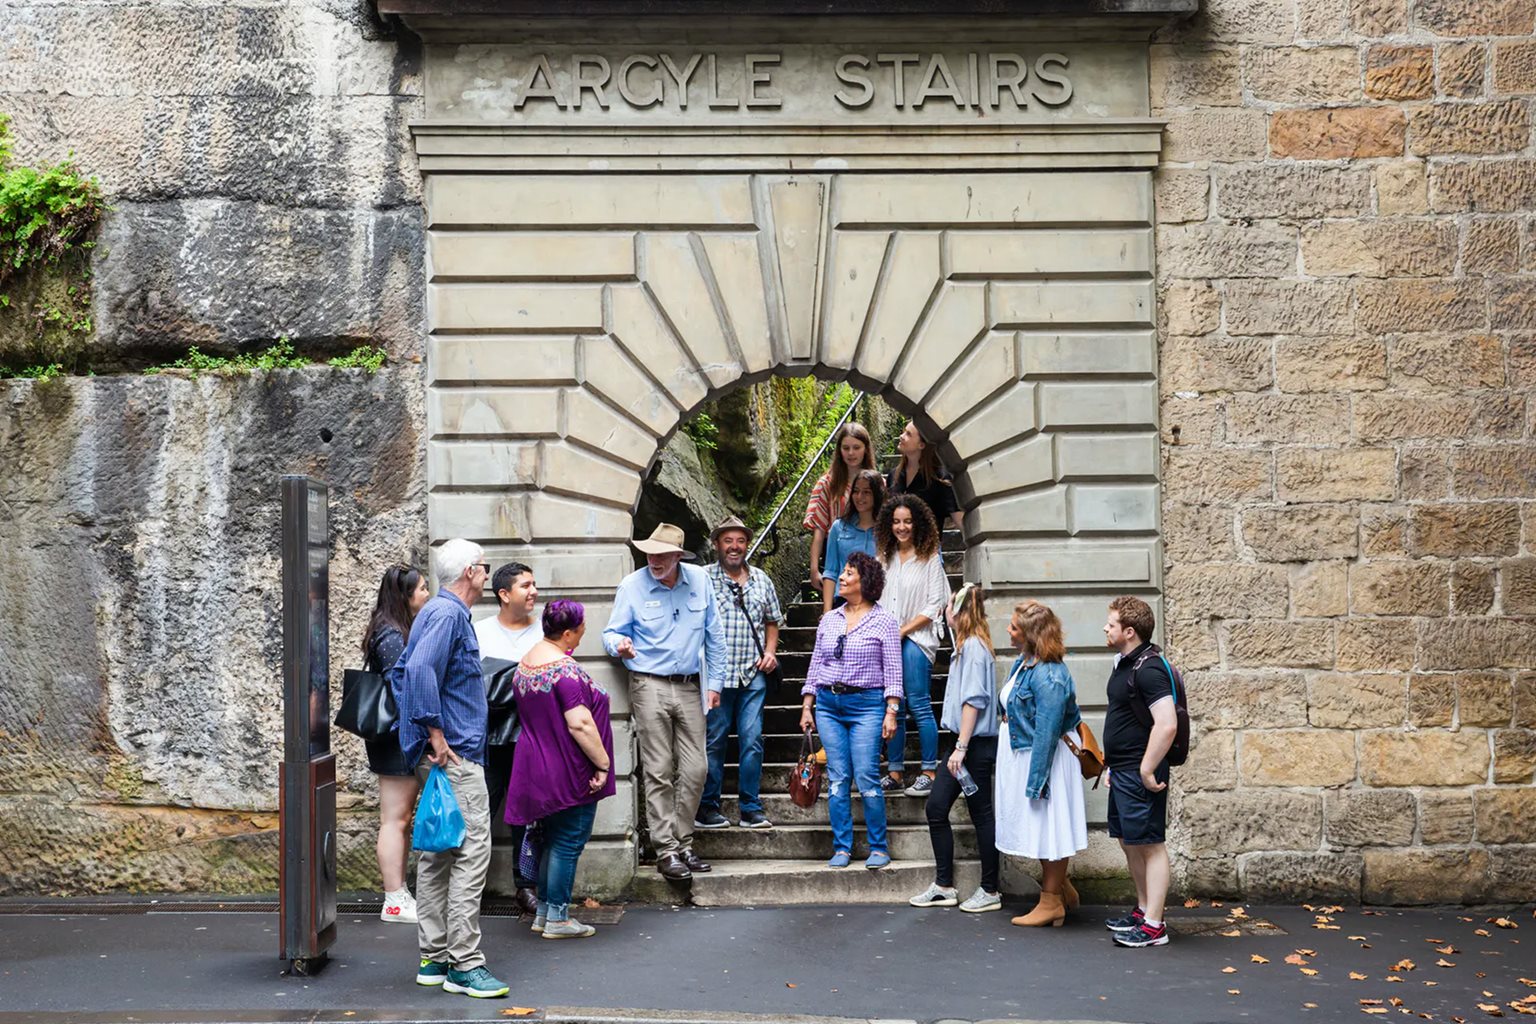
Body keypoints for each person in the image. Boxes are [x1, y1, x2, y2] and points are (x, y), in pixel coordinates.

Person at [391, 539, 508, 999]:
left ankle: (434, 958)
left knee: (439, 854)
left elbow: (404, 671)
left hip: (441, 753)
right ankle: (465, 965)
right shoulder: (448, 614)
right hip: (454, 755)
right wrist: (436, 734)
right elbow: (417, 670)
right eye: (484, 567)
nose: (487, 574)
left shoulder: (435, 613)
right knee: (469, 855)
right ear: (469, 572)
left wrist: (425, 736)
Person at [602, 523, 727, 881]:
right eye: (650, 553)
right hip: (649, 682)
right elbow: (611, 632)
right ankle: (667, 850)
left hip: (690, 685)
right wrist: (619, 645)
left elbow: (714, 636)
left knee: (696, 768)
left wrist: (714, 684)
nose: (653, 560)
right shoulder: (632, 586)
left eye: (661, 554)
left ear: (678, 556)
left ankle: (684, 841)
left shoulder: (700, 582)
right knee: (659, 768)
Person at [503, 600, 616, 939]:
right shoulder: (564, 671)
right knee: (568, 840)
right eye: (580, 631)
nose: (582, 637)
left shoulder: (527, 663)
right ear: (567, 633)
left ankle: (544, 913)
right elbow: (579, 723)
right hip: (566, 767)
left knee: (551, 839)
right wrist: (603, 763)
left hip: (534, 763)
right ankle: (559, 919)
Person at [797, 551, 902, 870]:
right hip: (829, 705)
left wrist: (891, 710)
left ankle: (878, 847)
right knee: (839, 778)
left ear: (864, 581)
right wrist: (807, 704)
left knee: (867, 777)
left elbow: (894, 670)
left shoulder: (884, 621)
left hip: (867, 706)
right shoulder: (830, 619)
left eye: (848, 573)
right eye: (842, 572)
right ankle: (841, 847)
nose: (840, 578)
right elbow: (816, 663)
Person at [908, 583, 1001, 914]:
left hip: (971, 745)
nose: (945, 611)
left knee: (981, 815)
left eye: (949, 606)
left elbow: (973, 702)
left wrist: (960, 748)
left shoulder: (974, 648)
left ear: (959, 612)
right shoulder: (965, 646)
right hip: (964, 744)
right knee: (938, 809)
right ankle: (945, 885)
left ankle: (989, 889)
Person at [996, 600, 1088, 929]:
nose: (1008, 630)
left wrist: (1037, 781)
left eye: (1014, 627)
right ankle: (1060, 889)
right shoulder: (1024, 662)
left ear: (1031, 635)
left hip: (1045, 758)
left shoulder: (1050, 674)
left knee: (1050, 825)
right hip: (1024, 754)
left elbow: (1047, 733)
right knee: (1039, 826)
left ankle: (1051, 903)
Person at [697, 516, 784, 831]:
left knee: (752, 740)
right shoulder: (703, 578)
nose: (734, 547)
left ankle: (750, 808)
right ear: (717, 544)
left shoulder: (762, 579)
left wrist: (771, 652)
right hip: (717, 676)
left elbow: (773, 620)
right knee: (714, 740)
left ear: (747, 545)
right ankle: (708, 808)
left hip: (752, 673)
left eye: (740, 541)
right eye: (727, 541)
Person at [1102, 595, 1178, 948]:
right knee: (1129, 840)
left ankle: (1154, 926)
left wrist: (1147, 769)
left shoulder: (1150, 668)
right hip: (1123, 769)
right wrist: (1111, 765)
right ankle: (1143, 909)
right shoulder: (1124, 664)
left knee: (1150, 844)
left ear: (1129, 631)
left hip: (1140, 770)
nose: (1105, 627)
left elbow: (1166, 725)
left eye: (1111, 623)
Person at [361, 563, 431, 924]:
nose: (426, 594)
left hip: (397, 736)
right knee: (395, 819)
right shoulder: (390, 634)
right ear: (404, 596)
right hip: (395, 737)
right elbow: (399, 687)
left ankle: (399, 893)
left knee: (400, 818)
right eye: (421, 589)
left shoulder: (393, 629)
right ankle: (393, 899)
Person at [473, 562, 542, 916]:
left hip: (534, 737)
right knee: (480, 811)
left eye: (534, 584)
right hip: (490, 738)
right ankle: (467, 886)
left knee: (528, 816)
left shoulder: (545, 631)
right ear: (504, 594)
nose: (533, 591)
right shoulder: (478, 630)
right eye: (525, 586)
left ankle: (525, 885)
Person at [875, 493, 950, 797]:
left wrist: (904, 630)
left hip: (917, 638)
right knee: (893, 703)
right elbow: (876, 597)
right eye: (896, 522)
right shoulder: (885, 556)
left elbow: (936, 604)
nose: (901, 527)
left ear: (917, 523)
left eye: (907, 521)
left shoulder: (930, 555)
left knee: (918, 701)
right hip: (888, 638)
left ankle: (929, 770)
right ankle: (895, 771)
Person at [804, 422, 876, 595]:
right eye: (846, 448)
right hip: (838, 555)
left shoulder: (877, 482)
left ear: (865, 449)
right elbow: (819, 528)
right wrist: (814, 569)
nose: (851, 453)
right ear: (839, 450)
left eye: (856, 447)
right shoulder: (827, 483)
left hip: (871, 550)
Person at [821, 469, 885, 614]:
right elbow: (831, 571)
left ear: (877, 494)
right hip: (844, 600)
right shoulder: (838, 527)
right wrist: (827, 611)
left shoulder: (887, 529)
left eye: (867, 492)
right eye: (856, 491)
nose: (860, 497)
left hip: (879, 601)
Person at [887, 420, 963, 532]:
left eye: (908, 434)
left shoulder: (940, 478)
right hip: (898, 547)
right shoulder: (894, 475)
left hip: (928, 546)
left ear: (921, 445)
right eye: (904, 432)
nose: (901, 436)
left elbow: (958, 518)